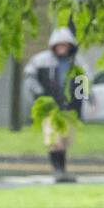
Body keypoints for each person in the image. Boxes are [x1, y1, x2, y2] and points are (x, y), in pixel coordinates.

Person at [23, 26, 84, 182]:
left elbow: (83, 82)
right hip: (50, 107)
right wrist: (38, 93)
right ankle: (57, 170)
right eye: (59, 45)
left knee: (64, 140)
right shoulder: (41, 61)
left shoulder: (76, 62)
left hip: (69, 109)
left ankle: (62, 170)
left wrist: (85, 100)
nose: (62, 48)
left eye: (65, 45)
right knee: (53, 140)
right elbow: (29, 76)